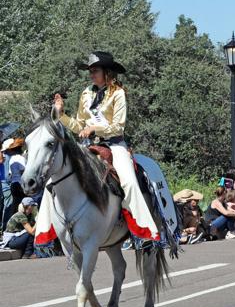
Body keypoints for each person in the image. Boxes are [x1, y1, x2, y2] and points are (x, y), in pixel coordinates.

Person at [40, 51, 160, 249]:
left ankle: (141, 230)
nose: (91, 74)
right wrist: (61, 114)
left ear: (107, 72)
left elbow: (118, 126)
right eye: (90, 71)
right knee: (54, 178)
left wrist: (94, 128)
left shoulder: (118, 93)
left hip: (114, 144)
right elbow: (79, 126)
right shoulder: (86, 93)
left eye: (95, 70)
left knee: (129, 182)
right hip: (88, 146)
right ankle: (47, 231)